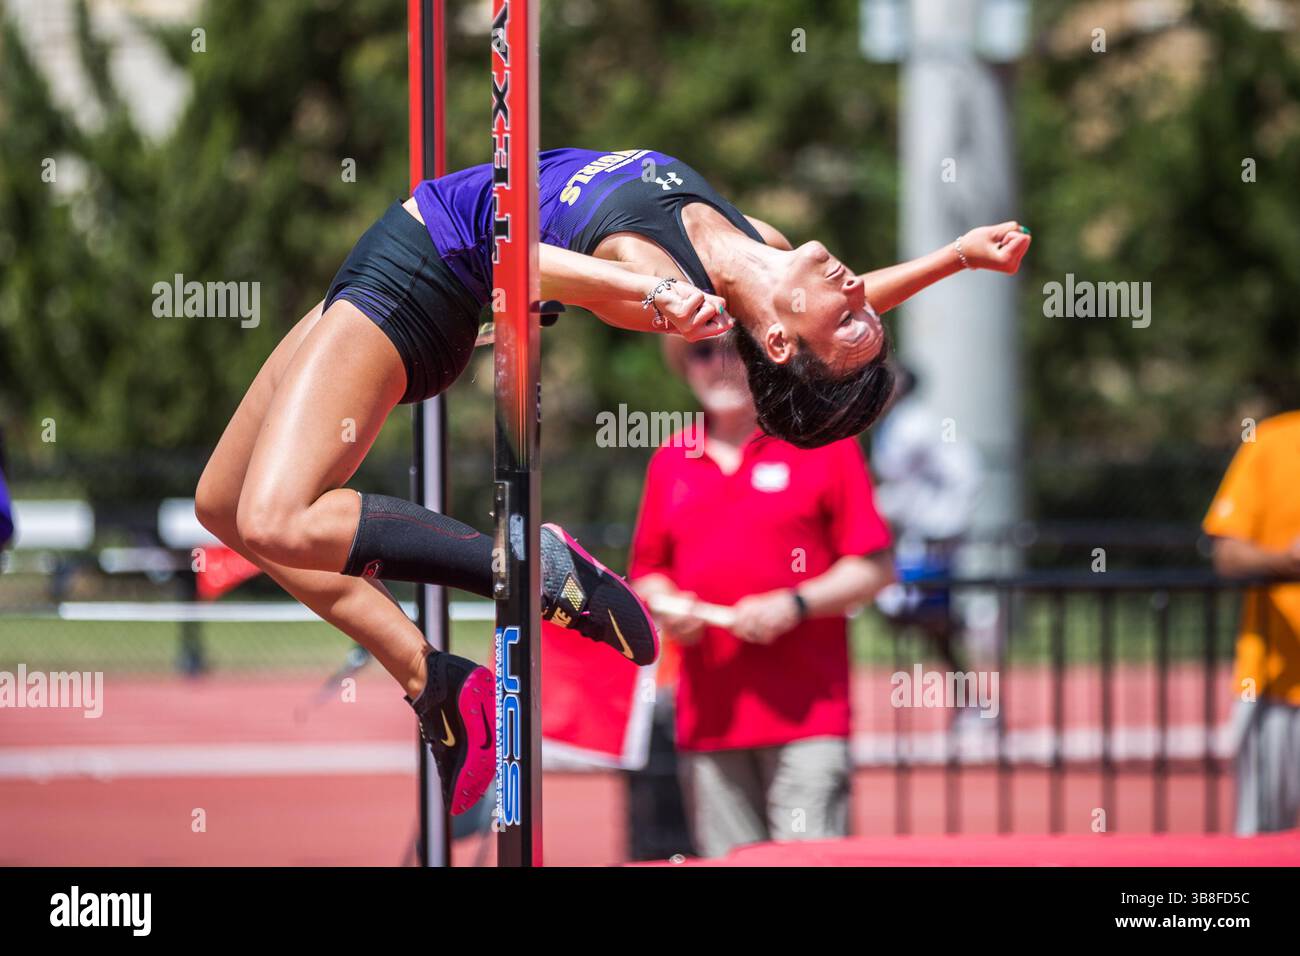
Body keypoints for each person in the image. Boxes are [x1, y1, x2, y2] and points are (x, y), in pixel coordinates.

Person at [195, 146, 1029, 815]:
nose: (856, 295)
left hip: (429, 272)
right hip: (407, 246)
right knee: (222, 505)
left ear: (777, 342)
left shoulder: (662, 279)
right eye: (862, 315)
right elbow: (840, 320)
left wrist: (644, 290)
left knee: (279, 517)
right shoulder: (763, 254)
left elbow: (514, 270)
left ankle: (531, 570)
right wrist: (955, 258)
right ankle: (441, 687)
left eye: (850, 319)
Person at [628, 334, 895, 858]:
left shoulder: (823, 443)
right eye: (704, 352)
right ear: (687, 365)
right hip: (710, 720)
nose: (720, 365)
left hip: (809, 720)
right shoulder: (671, 459)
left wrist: (793, 605)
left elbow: (874, 566)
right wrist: (672, 607)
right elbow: (647, 573)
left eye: (735, 349)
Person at [1203, 411, 1300, 834]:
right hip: (1277, 689)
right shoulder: (1274, 441)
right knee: (1264, 845)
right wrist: (1288, 561)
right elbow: (1226, 553)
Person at [871, 364, 982, 678]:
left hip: (933, 536)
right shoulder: (893, 424)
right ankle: (965, 630)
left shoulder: (917, 424)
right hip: (911, 535)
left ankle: (968, 626)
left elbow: (965, 472)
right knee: (913, 613)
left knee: (912, 610)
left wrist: (946, 525)